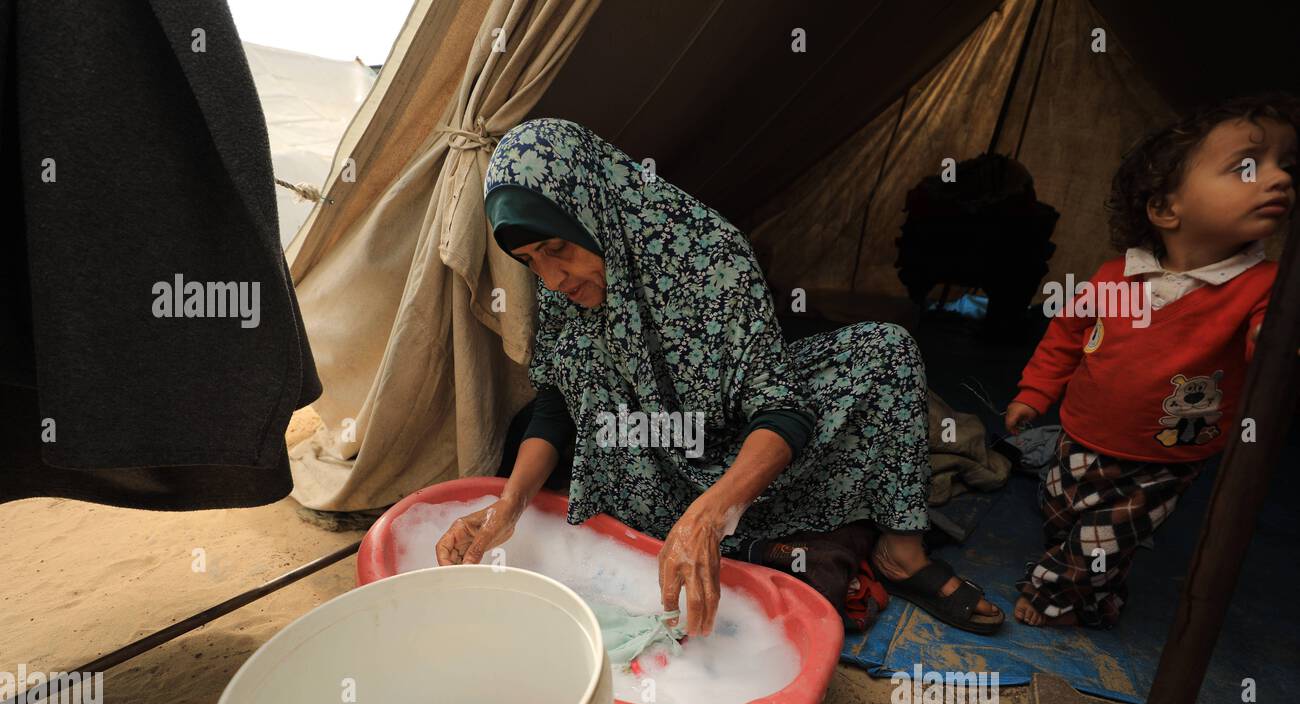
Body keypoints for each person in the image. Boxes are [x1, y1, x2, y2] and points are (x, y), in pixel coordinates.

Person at [437, 118, 1003, 636]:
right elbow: (559, 402)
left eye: (557, 247)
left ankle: (896, 552)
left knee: (887, 350)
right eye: (532, 260)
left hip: (742, 450)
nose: (553, 276)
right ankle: (718, 537)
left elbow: (780, 409)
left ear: (593, 205)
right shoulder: (561, 284)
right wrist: (507, 506)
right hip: (651, 462)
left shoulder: (708, 254)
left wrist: (711, 514)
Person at [1006, 95, 1296, 627]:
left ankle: (1052, 598)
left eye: (1287, 166)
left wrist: (1274, 334)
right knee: (1060, 515)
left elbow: (1272, 352)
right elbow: (1067, 336)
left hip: (1168, 457)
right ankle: (1099, 597)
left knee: (1106, 537)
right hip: (1079, 435)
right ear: (1165, 208)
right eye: (1248, 167)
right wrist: (1033, 392)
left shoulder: (1266, 286)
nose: (1278, 178)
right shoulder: (1116, 276)